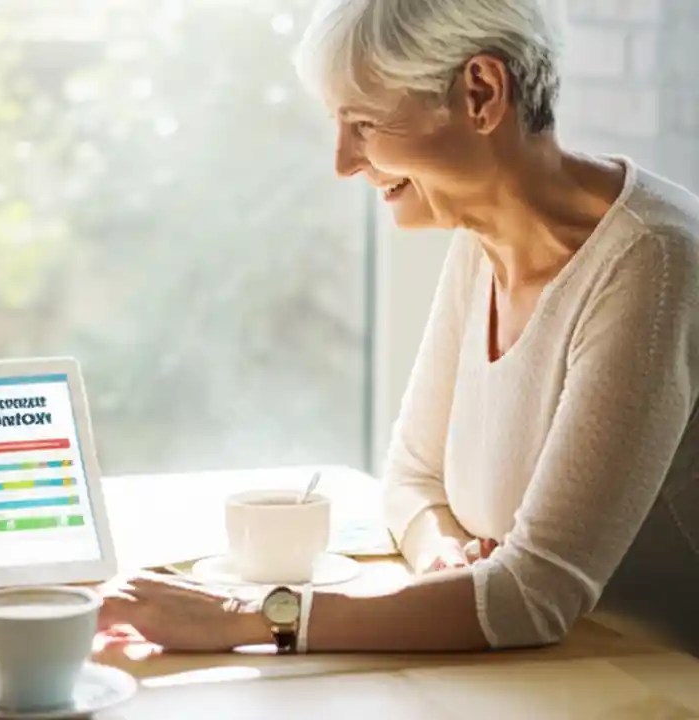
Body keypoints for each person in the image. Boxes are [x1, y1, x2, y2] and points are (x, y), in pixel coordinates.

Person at [98, 0, 699, 656]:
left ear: (481, 93)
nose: (342, 160)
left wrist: (250, 616)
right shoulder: (482, 236)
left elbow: (536, 593)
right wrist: (449, 562)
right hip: (551, 675)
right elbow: (412, 476)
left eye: (364, 122)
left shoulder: (654, 261)